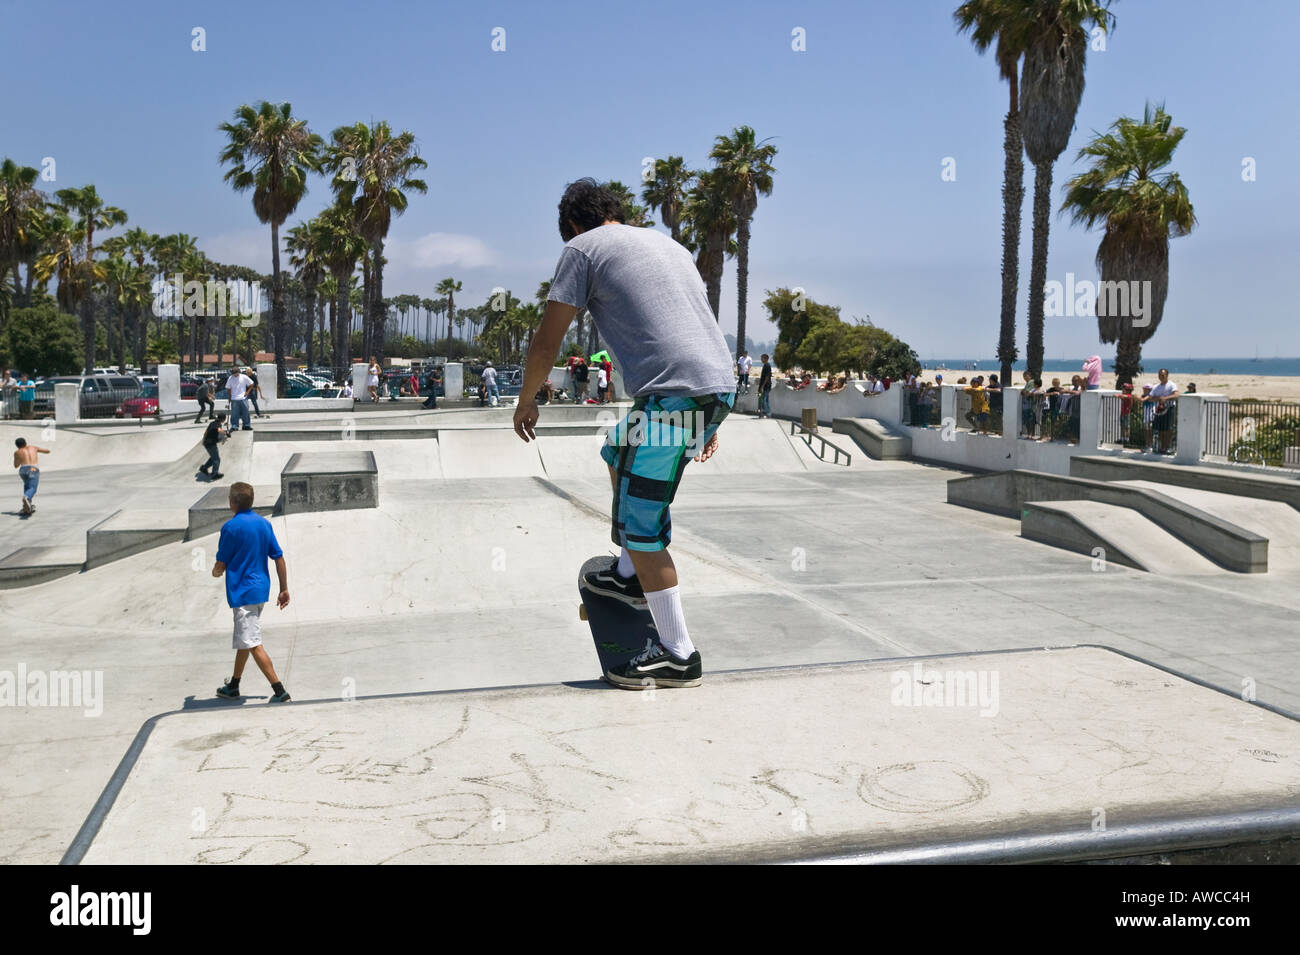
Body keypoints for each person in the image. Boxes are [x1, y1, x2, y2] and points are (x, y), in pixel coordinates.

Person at [515, 177, 735, 689]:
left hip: (676, 397)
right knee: (618, 450)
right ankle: (628, 575)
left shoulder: (582, 248)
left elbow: (548, 339)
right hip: (708, 388)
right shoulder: (667, 244)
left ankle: (680, 653)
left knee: (643, 522)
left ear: (572, 225)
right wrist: (705, 416)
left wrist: (527, 401)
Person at [212, 482, 291, 703]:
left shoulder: (230, 528)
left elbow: (221, 563)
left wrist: (216, 572)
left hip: (243, 592)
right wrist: (284, 588)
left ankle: (279, 690)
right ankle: (234, 686)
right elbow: (278, 557)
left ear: (233, 502)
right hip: (260, 590)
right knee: (245, 639)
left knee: (253, 642)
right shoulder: (263, 524)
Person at [13, 437, 50, 516]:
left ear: (17, 446)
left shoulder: (17, 452)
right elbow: (47, 451)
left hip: (23, 470)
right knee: (32, 488)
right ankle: (26, 498)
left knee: (27, 486)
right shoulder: (33, 447)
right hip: (33, 469)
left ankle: (26, 507)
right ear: (25, 443)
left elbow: (16, 465)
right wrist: (37, 451)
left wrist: (20, 458)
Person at [1148, 368, 1179, 454]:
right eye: (1160, 375)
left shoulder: (1172, 385)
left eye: (1163, 375)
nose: (1161, 376)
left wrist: (1165, 398)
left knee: (1168, 428)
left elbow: (1176, 395)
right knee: (1161, 429)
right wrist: (1159, 399)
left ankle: (1168, 446)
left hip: (1169, 409)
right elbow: (1150, 398)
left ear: (1167, 375)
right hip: (1158, 410)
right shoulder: (1156, 386)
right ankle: (1162, 447)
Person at [198, 413, 227, 480]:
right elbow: (219, 430)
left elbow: (206, 432)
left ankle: (204, 468)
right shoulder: (218, 424)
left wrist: (203, 440)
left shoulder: (212, 423)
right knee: (217, 459)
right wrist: (226, 433)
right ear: (223, 419)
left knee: (213, 458)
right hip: (211, 444)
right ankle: (215, 474)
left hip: (207, 443)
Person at [225, 365, 253, 431]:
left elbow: (251, 384)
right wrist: (229, 398)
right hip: (234, 398)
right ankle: (234, 426)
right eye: (234, 373)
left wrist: (247, 392)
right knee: (234, 414)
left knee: (245, 412)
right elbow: (228, 389)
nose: (235, 374)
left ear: (239, 372)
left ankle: (246, 425)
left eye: (236, 373)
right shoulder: (230, 378)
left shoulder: (244, 377)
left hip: (243, 398)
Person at [757, 353, 773, 418]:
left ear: (766, 359)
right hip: (765, 386)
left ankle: (767, 413)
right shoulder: (765, 365)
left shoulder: (767, 365)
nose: (761, 359)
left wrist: (762, 386)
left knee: (763, 400)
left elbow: (767, 377)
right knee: (765, 400)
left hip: (766, 386)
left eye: (762, 358)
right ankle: (765, 413)